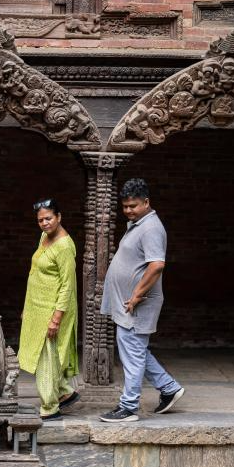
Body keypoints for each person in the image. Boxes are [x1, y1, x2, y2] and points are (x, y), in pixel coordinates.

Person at [99, 177, 184, 422]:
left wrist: (136, 295)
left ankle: (128, 407)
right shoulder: (139, 224)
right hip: (130, 302)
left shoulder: (151, 228)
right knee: (134, 349)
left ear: (146, 202)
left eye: (133, 206)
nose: (128, 210)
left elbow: (157, 265)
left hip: (138, 303)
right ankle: (169, 388)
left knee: (133, 351)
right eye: (125, 206)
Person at [17, 198, 79, 421]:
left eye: (48, 218)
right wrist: (28, 307)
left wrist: (56, 318)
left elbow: (67, 286)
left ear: (59, 217)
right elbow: (37, 272)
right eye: (40, 220)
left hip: (53, 308)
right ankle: (64, 391)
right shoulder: (44, 237)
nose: (44, 223)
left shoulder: (64, 246)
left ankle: (50, 406)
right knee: (45, 354)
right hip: (37, 306)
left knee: (46, 358)